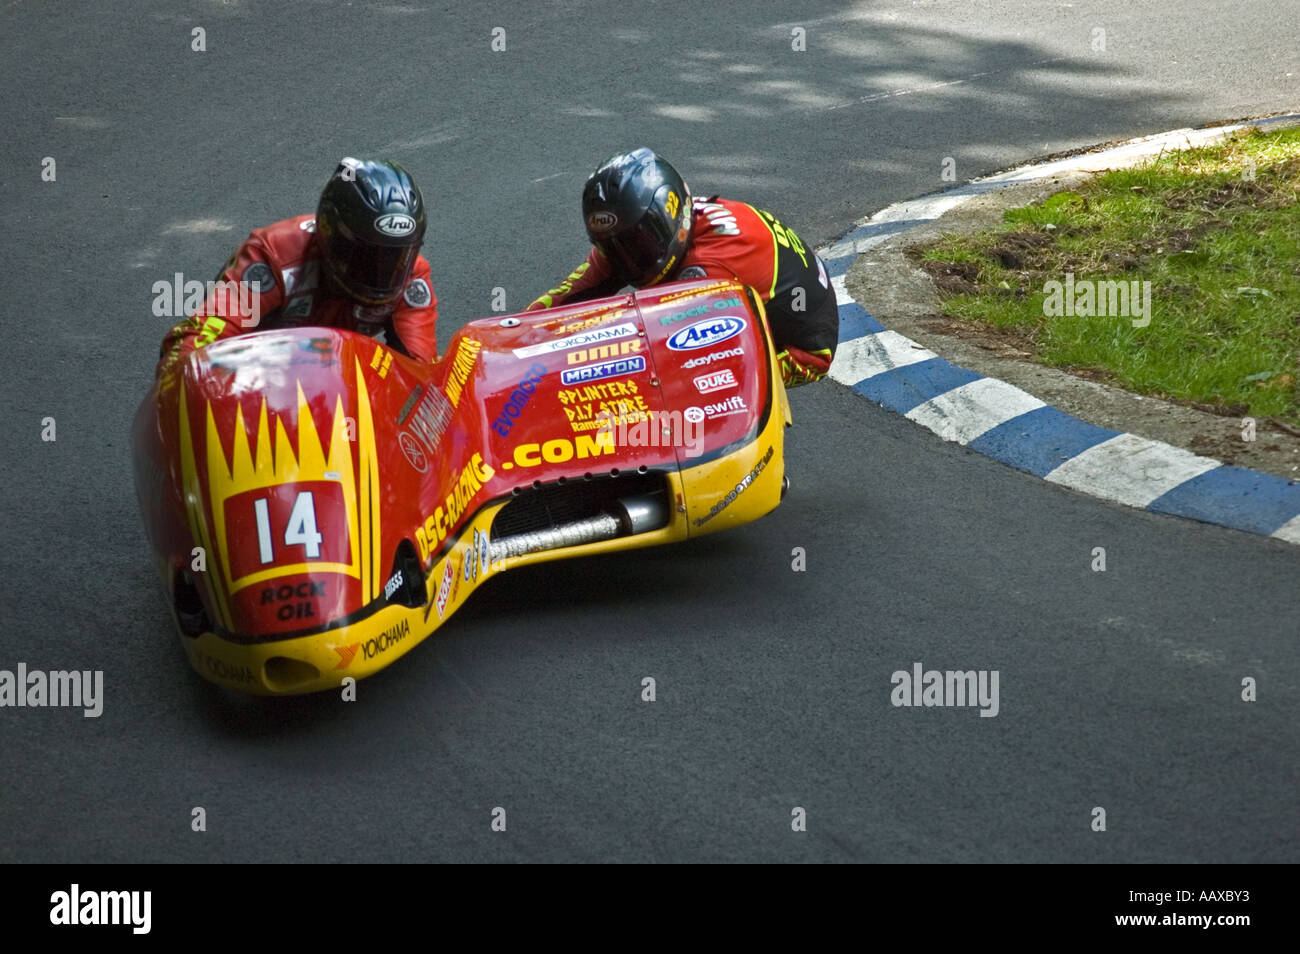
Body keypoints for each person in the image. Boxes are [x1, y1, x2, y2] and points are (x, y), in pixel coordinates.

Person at [526, 148, 837, 387]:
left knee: (690, 379)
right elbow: (570, 295)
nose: (627, 260)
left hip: (802, 348)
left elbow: (661, 350)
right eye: (614, 246)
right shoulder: (654, 228)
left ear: (671, 219)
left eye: (638, 244)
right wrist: (515, 336)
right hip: (752, 292)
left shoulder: (706, 269)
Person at [157, 157, 438, 376]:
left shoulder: (413, 276)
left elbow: (419, 371)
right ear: (331, 233)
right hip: (254, 381)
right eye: (367, 257)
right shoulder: (272, 256)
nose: (383, 273)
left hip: (346, 388)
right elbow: (196, 343)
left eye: (398, 257)